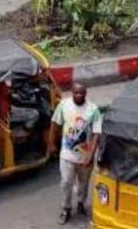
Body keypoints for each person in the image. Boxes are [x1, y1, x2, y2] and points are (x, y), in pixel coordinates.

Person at [50, 83, 102, 224]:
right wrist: (52, 144)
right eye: (76, 93)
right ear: (72, 92)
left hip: (85, 157)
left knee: (83, 184)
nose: (79, 95)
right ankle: (66, 208)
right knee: (66, 182)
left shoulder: (93, 110)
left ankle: (80, 204)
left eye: (82, 93)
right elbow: (55, 124)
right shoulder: (63, 105)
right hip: (67, 155)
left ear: (86, 93)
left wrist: (90, 156)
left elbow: (97, 134)